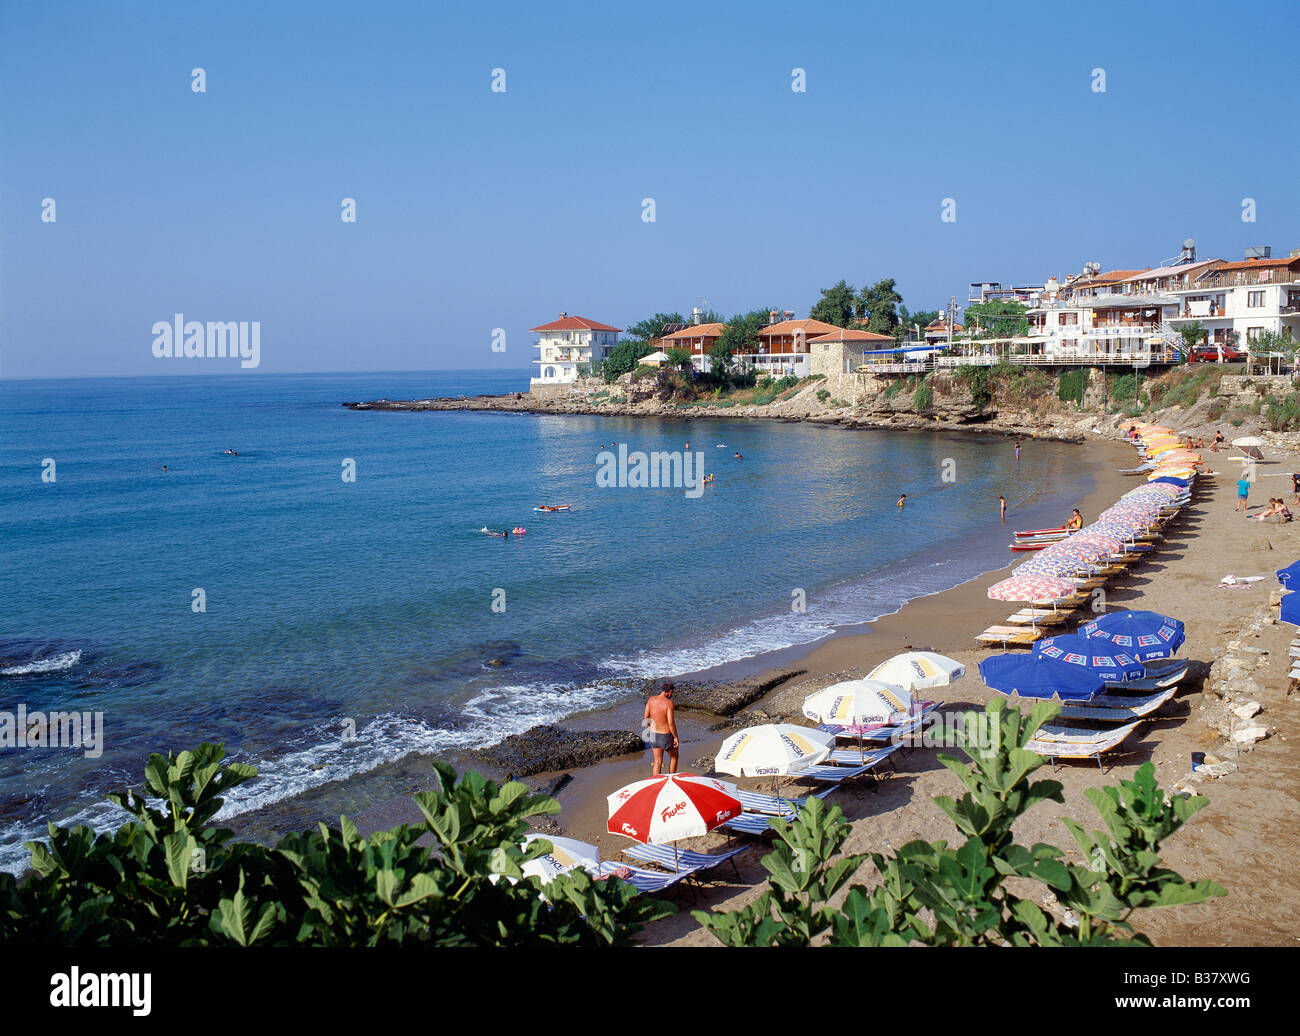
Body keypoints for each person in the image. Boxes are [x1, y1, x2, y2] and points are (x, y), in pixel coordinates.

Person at [644, 682, 679, 775]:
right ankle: (672, 779)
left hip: (653, 734)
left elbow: (646, 718)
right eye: (672, 693)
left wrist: (650, 727)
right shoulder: (669, 703)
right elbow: (671, 724)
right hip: (665, 736)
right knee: (674, 757)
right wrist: (675, 737)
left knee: (657, 762)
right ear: (670, 691)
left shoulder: (651, 699)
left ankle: (656, 783)